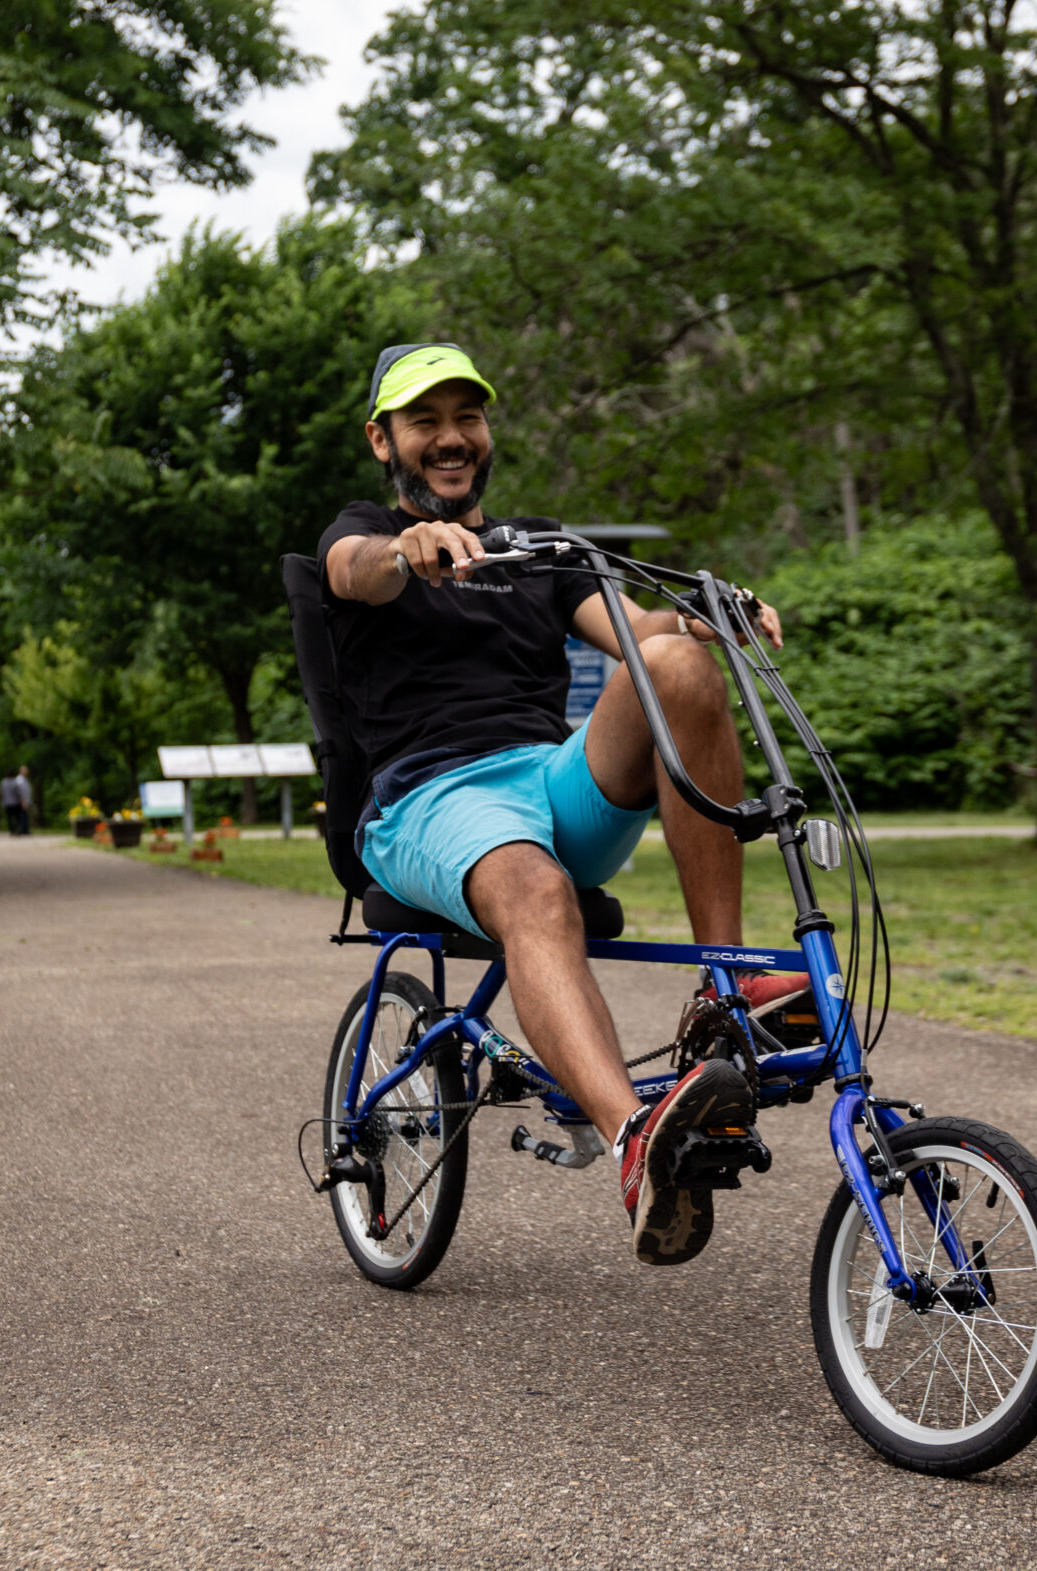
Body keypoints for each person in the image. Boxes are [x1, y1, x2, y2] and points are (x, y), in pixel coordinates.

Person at [320, 341, 798, 1268]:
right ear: (384, 440)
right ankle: (638, 1148)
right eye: (426, 421)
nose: (452, 438)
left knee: (679, 669)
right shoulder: (367, 528)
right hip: (428, 798)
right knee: (537, 893)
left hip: (547, 781)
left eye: (468, 417)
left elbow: (634, 629)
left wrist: (700, 617)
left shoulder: (538, 545)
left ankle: (724, 988)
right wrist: (404, 548)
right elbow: (352, 569)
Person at [0, 764, 36, 836]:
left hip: (7, 803)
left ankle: (13, 831)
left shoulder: (3, 782)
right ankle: (19, 830)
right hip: (15, 803)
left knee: (10, 818)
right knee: (18, 818)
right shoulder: (16, 781)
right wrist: (23, 801)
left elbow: (1, 793)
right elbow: (19, 793)